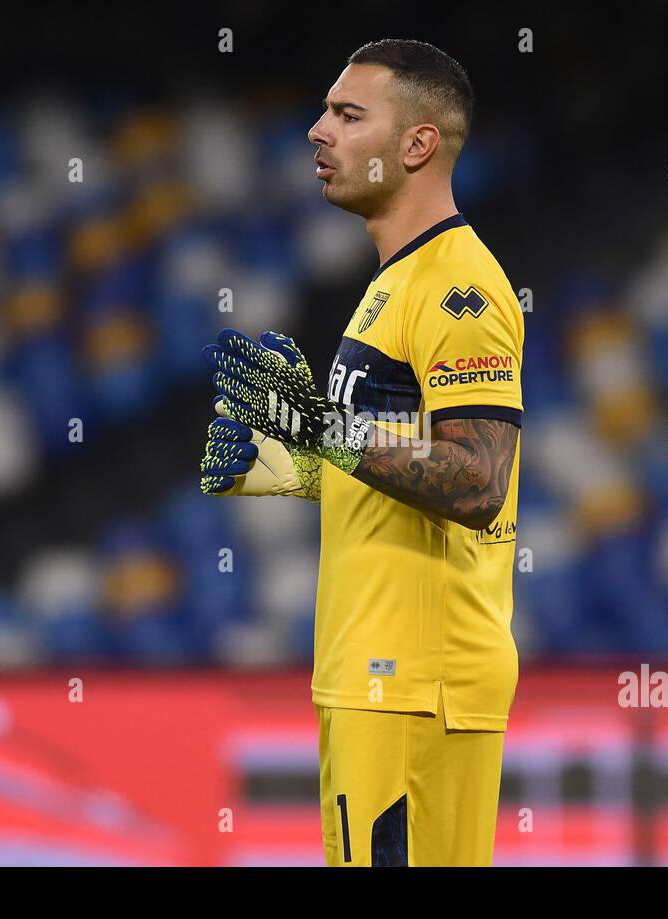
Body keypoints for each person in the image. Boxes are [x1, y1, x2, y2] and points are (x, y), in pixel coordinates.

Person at [200, 39, 525, 865]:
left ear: (417, 145)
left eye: (347, 115)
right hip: (372, 673)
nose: (317, 131)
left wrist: (317, 428)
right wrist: (282, 467)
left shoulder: (461, 288)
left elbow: (479, 480)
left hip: (416, 679)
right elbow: (391, 466)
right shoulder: (392, 282)